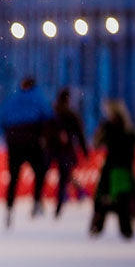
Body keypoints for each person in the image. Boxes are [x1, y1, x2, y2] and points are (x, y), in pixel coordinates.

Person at [0, 77, 52, 227]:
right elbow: (48, 116)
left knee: (14, 177)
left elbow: (1, 118)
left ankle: (9, 208)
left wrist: (10, 135)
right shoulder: (39, 97)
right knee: (40, 171)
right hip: (32, 138)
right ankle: (36, 201)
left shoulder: (12, 98)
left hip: (14, 140)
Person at [90, 100, 135, 239]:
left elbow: (97, 143)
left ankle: (107, 228)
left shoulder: (118, 129)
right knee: (113, 200)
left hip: (119, 168)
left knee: (117, 200)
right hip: (118, 168)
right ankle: (118, 229)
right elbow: (97, 143)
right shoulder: (123, 129)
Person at [49, 88, 90, 217]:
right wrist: (85, 150)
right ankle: (63, 199)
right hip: (66, 150)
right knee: (64, 176)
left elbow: (45, 130)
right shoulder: (70, 114)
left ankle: (64, 197)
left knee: (62, 175)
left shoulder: (53, 113)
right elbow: (79, 133)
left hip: (53, 150)